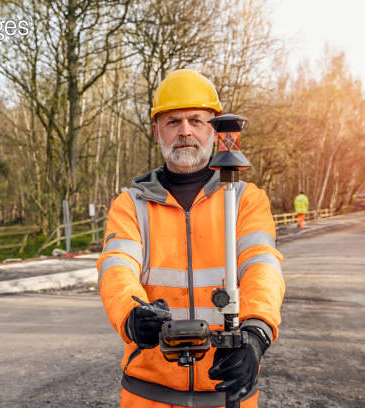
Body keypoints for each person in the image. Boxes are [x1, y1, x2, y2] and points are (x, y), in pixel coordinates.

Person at [97, 69, 285, 408]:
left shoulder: (244, 199)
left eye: (196, 120)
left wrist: (256, 333)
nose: (185, 131)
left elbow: (262, 268)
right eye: (173, 122)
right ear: (158, 132)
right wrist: (132, 315)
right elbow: (117, 270)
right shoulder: (131, 205)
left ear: (214, 131)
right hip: (148, 396)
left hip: (228, 395)